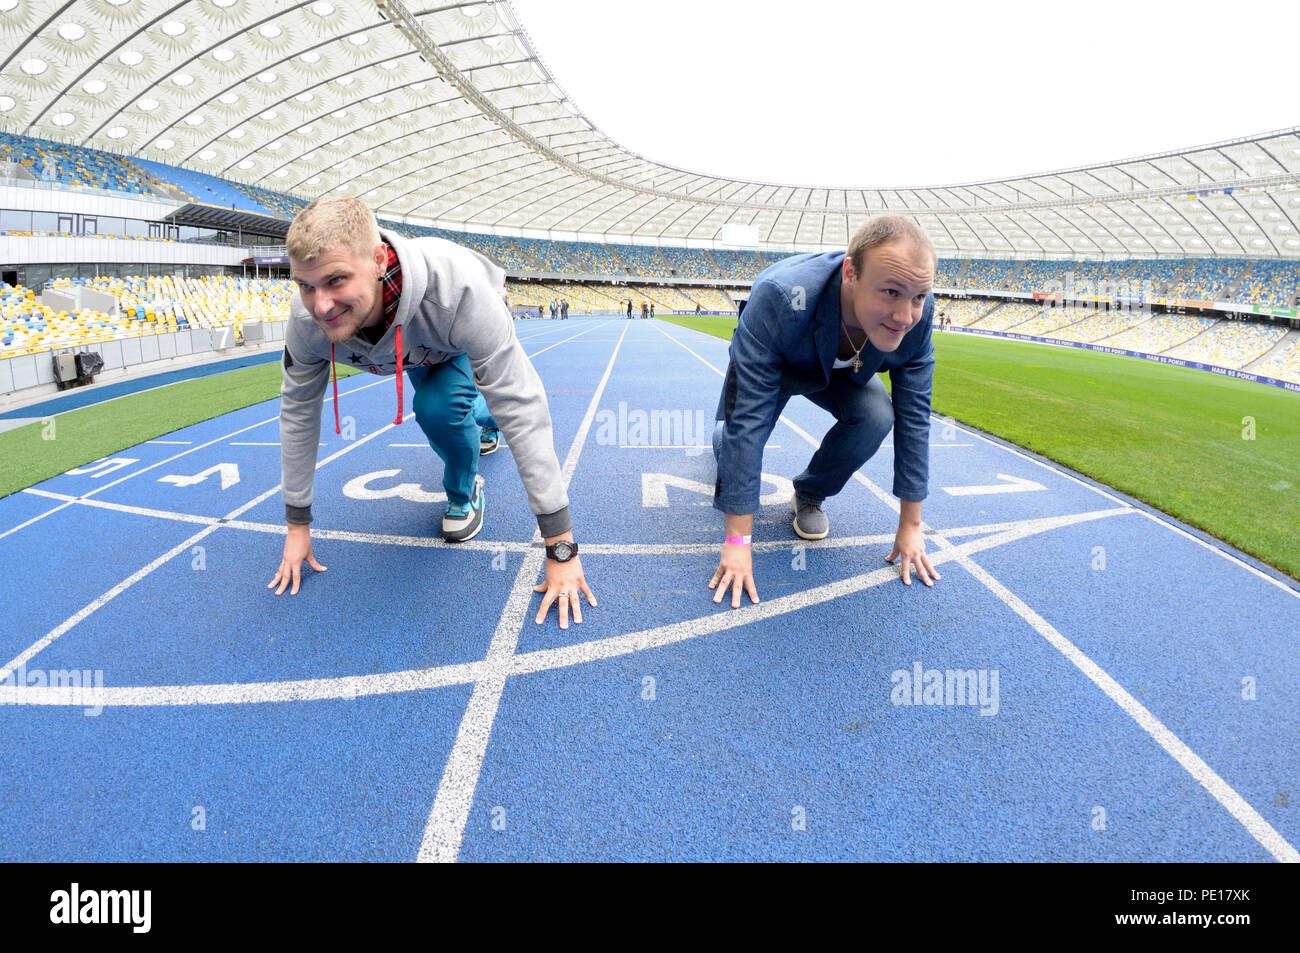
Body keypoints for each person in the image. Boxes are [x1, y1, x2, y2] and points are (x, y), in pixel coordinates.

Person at [269, 197, 595, 629]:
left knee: (439, 408)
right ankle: (480, 417)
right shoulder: (307, 321)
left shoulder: (459, 294)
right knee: (449, 405)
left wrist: (560, 547)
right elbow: (297, 411)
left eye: (336, 280)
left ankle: (465, 491)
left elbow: (521, 402)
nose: (321, 305)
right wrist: (297, 524)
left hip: (448, 334)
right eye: (306, 285)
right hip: (414, 348)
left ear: (378, 259)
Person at [709, 215, 940, 608]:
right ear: (850, 273)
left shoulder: (917, 313)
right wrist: (738, 541)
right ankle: (721, 443)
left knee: (877, 416)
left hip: (846, 369)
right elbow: (748, 421)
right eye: (890, 292)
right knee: (736, 436)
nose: (905, 316)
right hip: (780, 358)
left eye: (918, 296)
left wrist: (911, 524)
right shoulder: (781, 297)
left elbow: (915, 416)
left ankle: (810, 493)